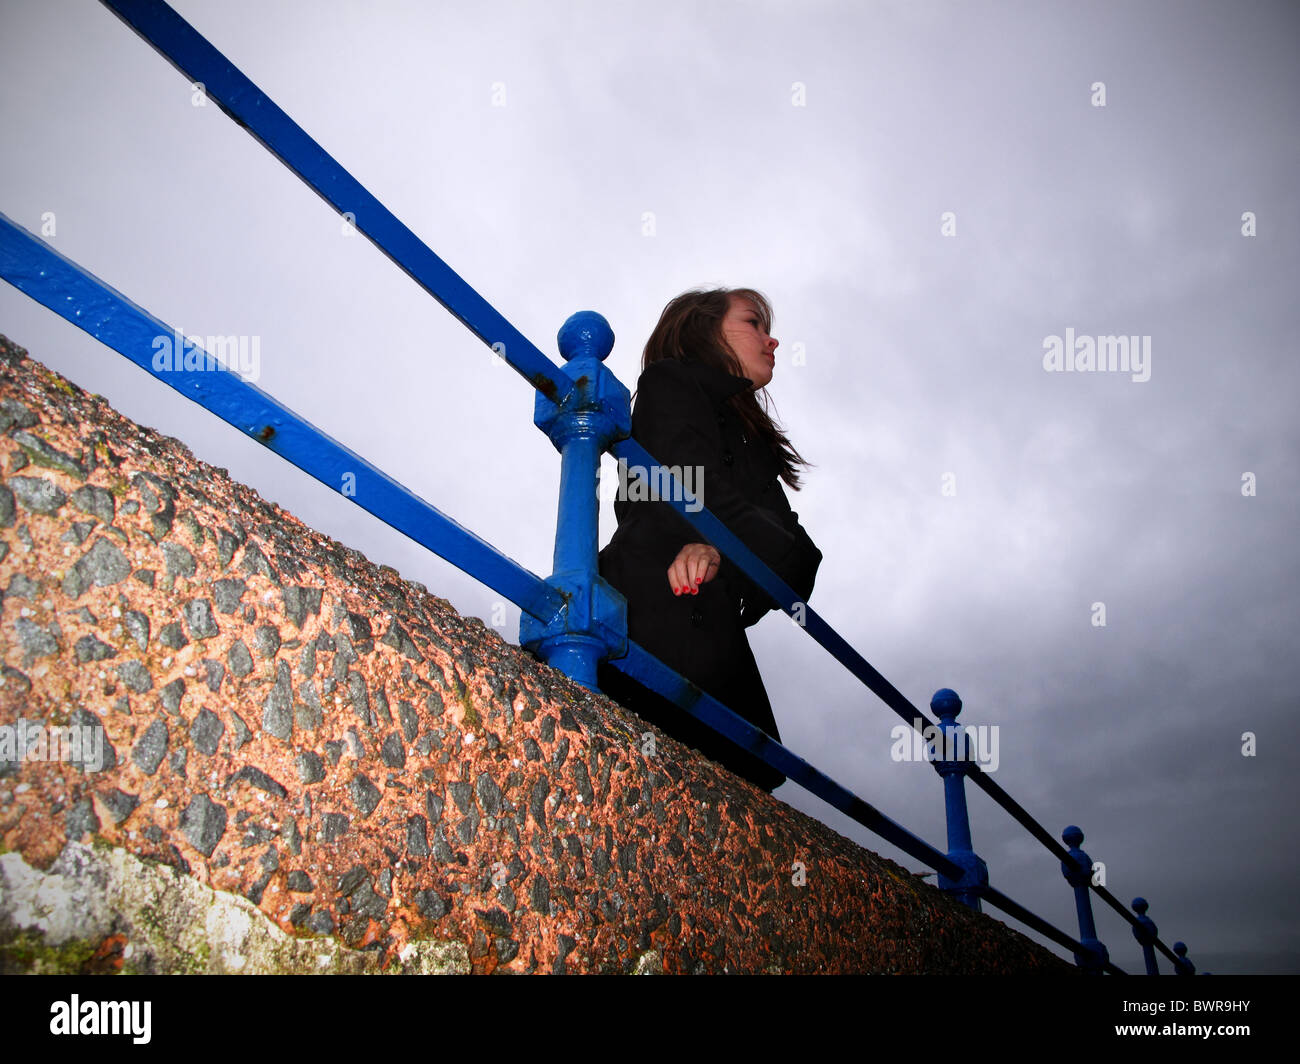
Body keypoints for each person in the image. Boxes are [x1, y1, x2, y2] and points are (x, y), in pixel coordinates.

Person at [596, 287, 823, 792]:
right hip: (648, 620)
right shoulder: (667, 384)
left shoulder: (753, 440)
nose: (773, 340)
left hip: (714, 643)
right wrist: (738, 546)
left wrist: (723, 549)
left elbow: (801, 563)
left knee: (736, 792)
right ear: (706, 328)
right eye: (754, 323)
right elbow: (683, 486)